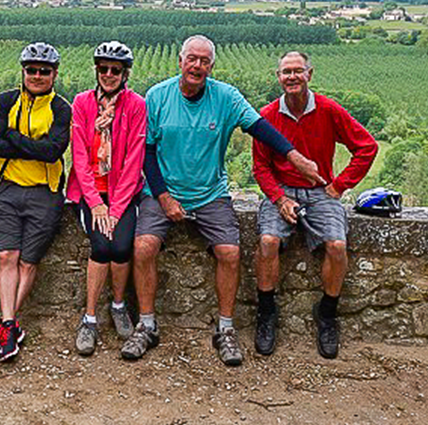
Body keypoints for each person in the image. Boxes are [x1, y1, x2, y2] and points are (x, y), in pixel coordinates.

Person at [121, 35, 324, 366]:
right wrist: (163, 196)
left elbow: (260, 128)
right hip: (163, 189)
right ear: (180, 61)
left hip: (210, 192)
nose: (197, 66)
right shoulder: (158, 96)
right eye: (192, 59)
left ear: (211, 66)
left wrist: (295, 157)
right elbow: (147, 151)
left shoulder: (226, 97)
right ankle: (146, 325)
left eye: (204, 61)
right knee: (143, 247)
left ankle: (225, 328)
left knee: (230, 252)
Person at [252, 51, 378, 359]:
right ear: (278, 78)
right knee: (268, 241)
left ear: (310, 74)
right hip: (281, 189)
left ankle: (327, 314)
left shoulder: (328, 110)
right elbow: (261, 167)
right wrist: (279, 198)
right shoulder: (268, 115)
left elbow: (367, 146)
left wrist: (339, 185)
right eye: (286, 72)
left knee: (336, 245)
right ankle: (266, 313)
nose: (292, 77)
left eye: (298, 70)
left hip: (320, 189)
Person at [0, 42, 71, 361]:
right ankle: (9, 325)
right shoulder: (5, 101)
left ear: (54, 74)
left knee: (28, 262)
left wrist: (13, 137)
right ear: (23, 71)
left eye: (44, 71)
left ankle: (5, 325)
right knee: (7, 255)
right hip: (8, 188)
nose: (36, 76)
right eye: (31, 70)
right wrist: (34, 146)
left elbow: (53, 152)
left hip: (45, 192)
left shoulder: (61, 108)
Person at [66, 41, 146, 355]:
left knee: (122, 246)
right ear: (96, 71)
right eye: (104, 69)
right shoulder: (82, 103)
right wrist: (97, 204)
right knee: (101, 246)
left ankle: (118, 305)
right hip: (90, 191)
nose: (109, 74)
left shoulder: (136, 105)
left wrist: (116, 209)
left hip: (122, 192)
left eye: (116, 70)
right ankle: (89, 319)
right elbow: (79, 156)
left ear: (125, 74)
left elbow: (135, 159)